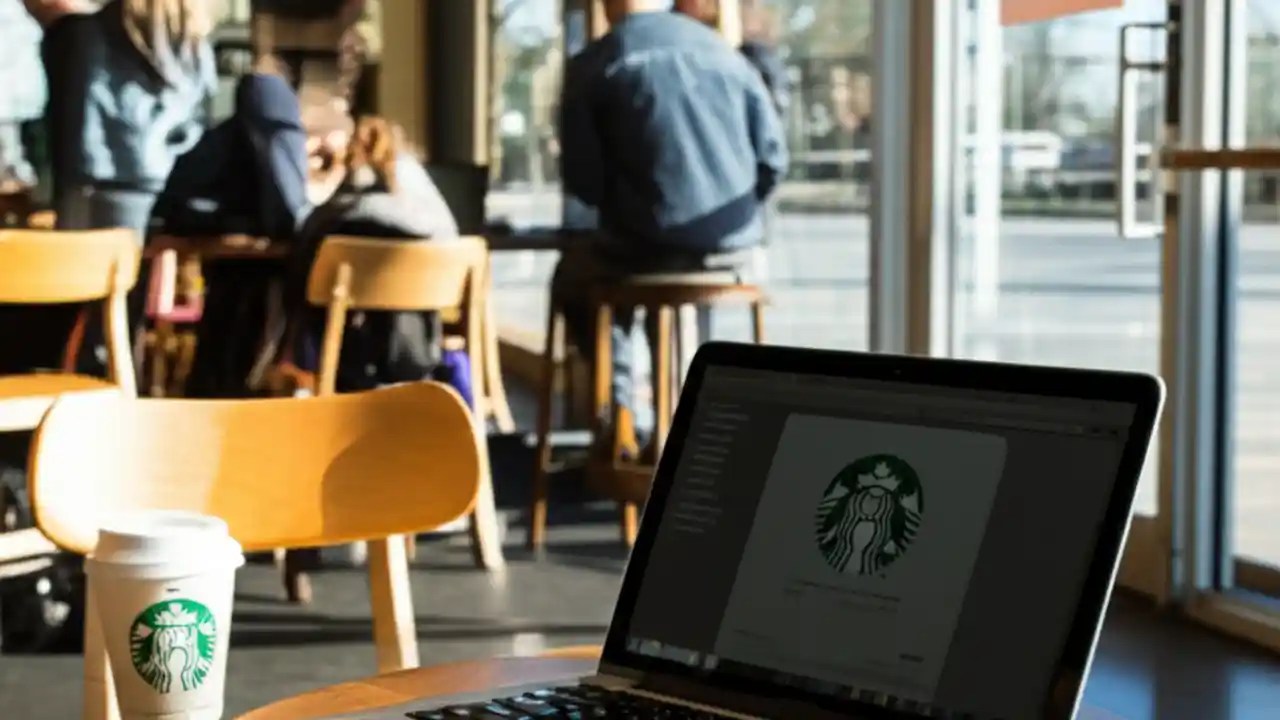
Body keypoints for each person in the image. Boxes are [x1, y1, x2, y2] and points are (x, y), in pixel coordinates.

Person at [556, 0, 788, 458]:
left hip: (642, 246)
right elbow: (773, 160)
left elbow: (584, 182)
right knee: (664, 283)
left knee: (575, 279)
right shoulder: (725, 53)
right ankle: (688, 421)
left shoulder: (595, 62)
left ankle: (621, 418)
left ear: (606, 7)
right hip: (730, 251)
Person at [277, 115, 459, 393]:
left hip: (340, 365)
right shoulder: (434, 217)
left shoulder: (333, 216)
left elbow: (297, 290)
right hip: (419, 356)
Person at [25, 0, 216, 238]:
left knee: (87, 271)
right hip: (167, 184)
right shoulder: (195, 49)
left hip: (95, 183)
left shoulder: (80, 34)